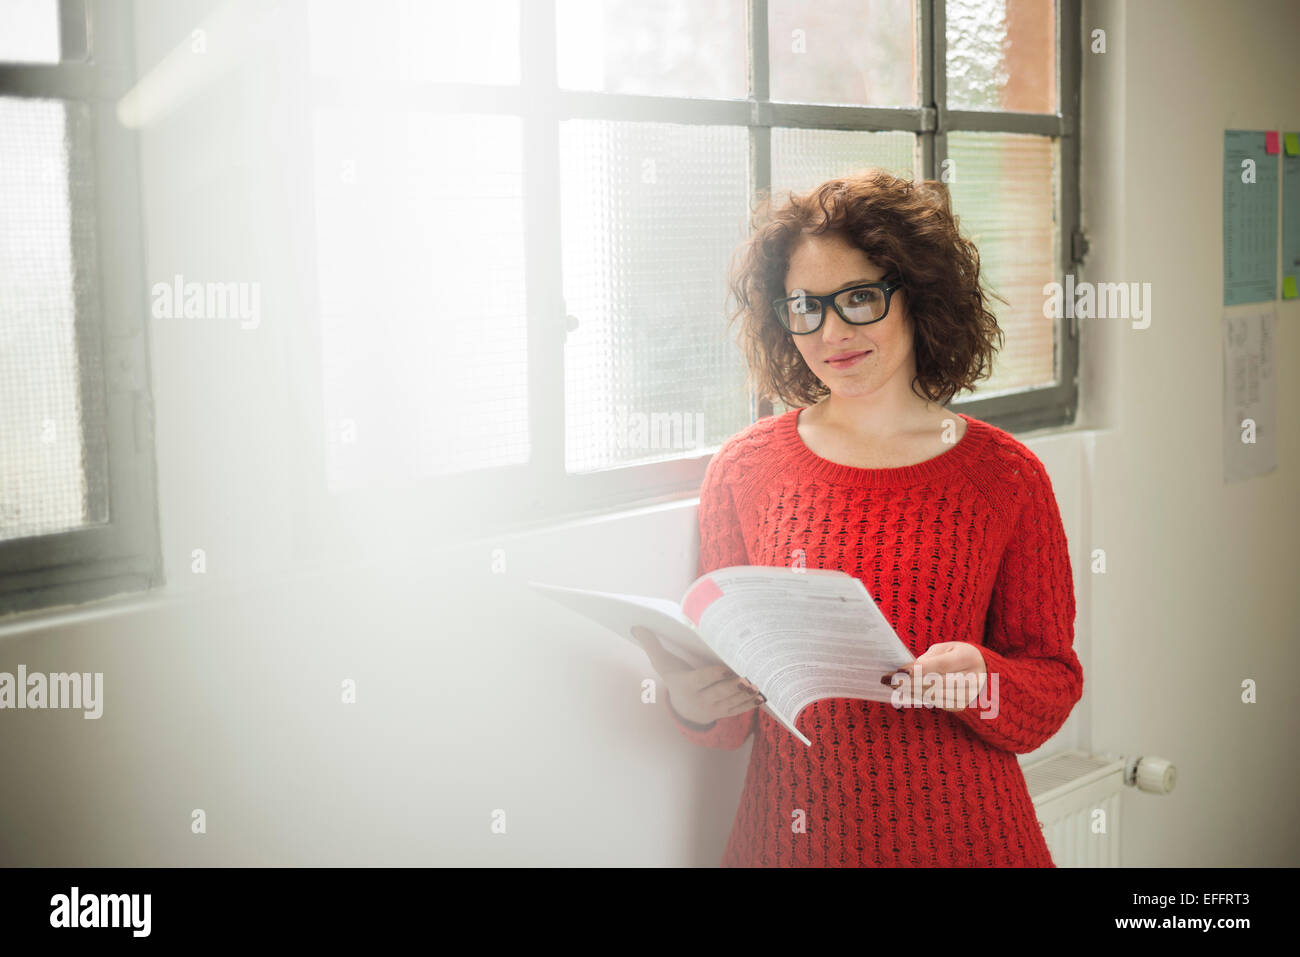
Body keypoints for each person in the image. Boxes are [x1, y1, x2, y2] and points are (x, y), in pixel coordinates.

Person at [631, 168, 1084, 867]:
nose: (832, 331)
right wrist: (694, 699)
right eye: (805, 307)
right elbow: (731, 723)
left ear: (920, 298)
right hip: (786, 843)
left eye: (860, 298)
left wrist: (983, 678)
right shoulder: (743, 472)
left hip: (970, 842)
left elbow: (1050, 686)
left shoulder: (1007, 478)